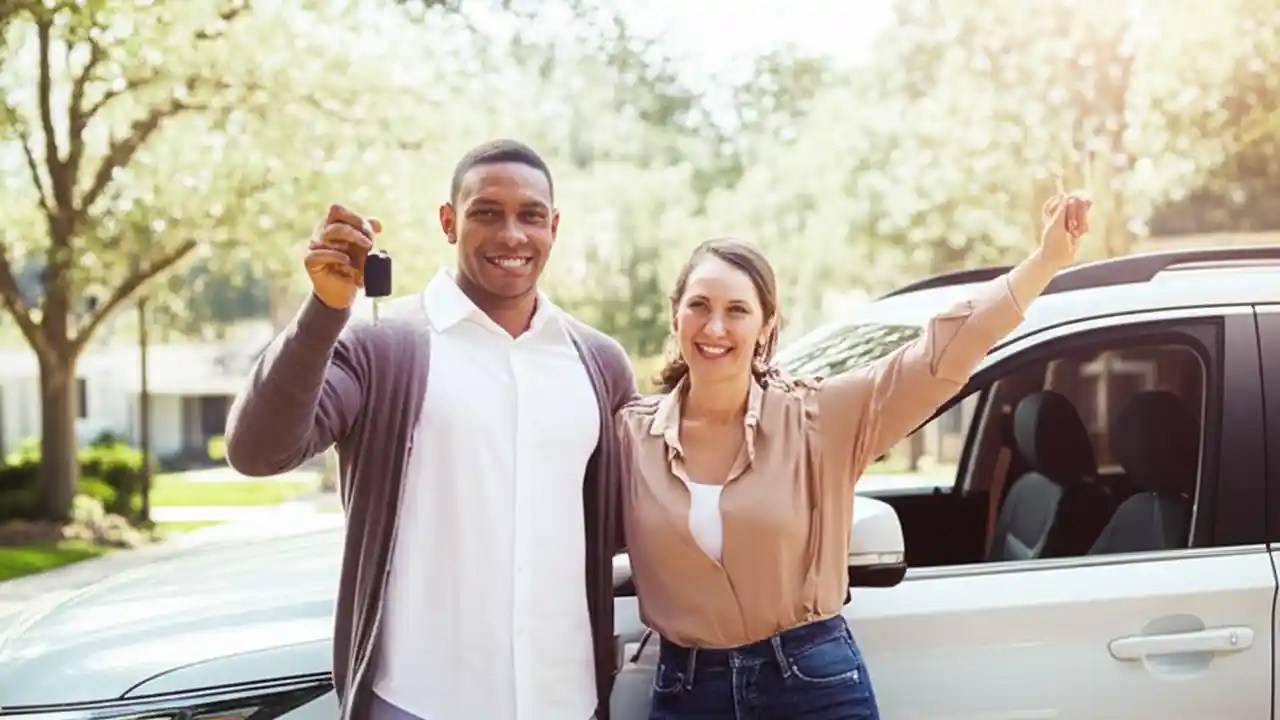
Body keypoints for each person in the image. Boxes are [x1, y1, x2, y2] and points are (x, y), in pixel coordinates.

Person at [616, 191, 1092, 718]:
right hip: (688, 691)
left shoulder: (820, 417)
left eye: (737, 311)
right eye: (699, 306)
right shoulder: (631, 437)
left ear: (765, 327)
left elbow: (938, 356)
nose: (715, 328)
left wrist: (1045, 261)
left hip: (809, 682)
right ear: (675, 313)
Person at [224, 139, 636, 720]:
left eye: (531, 216)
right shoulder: (381, 348)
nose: (512, 235)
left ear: (554, 227)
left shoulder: (598, 362)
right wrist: (323, 310)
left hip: (564, 698)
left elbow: (634, 520)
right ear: (449, 222)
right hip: (417, 701)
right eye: (486, 212)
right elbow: (257, 451)